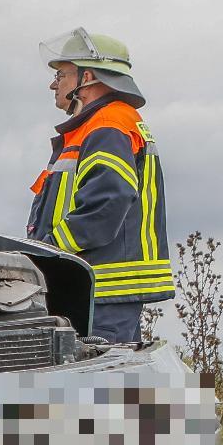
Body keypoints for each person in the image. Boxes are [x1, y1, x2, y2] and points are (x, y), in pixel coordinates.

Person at [27, 28, 170, 344]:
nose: (53, 84)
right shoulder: (101, 125)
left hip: (99, 288)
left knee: (96, 374)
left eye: (61, 75)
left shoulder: (107, 125)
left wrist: (47, 252)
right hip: (98, 289)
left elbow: (107, 202)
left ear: (87, 77)